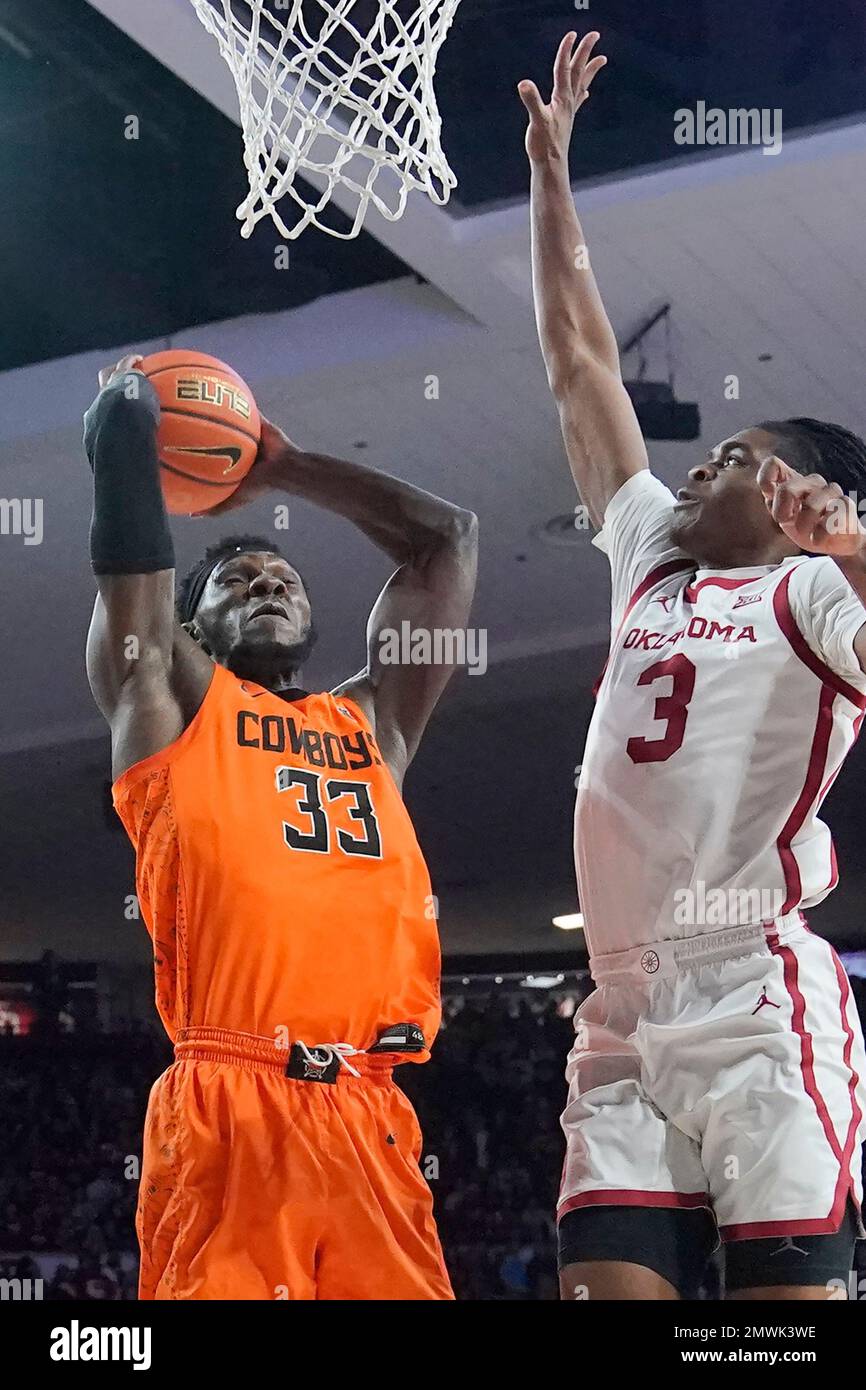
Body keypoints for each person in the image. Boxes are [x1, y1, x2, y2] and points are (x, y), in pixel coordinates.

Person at [520, 31, 866, 1300]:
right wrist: (551, 183)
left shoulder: (810, 586)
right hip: (619, 1012)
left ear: (792, 495)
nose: (701, 464)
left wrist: (852, 543)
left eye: (730, 452)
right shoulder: (652, 556)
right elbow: (578, 366)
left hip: (753, 998)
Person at [83, 353, 477, 1299]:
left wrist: (281, 465)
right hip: (231, 1099)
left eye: (282, 576)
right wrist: (127, 449)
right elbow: (133, 586)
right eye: (237, 579)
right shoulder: (168, 703)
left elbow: (446, 543)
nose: (266, 583)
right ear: (194, 625)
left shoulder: (371, 726)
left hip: (369, 1113)